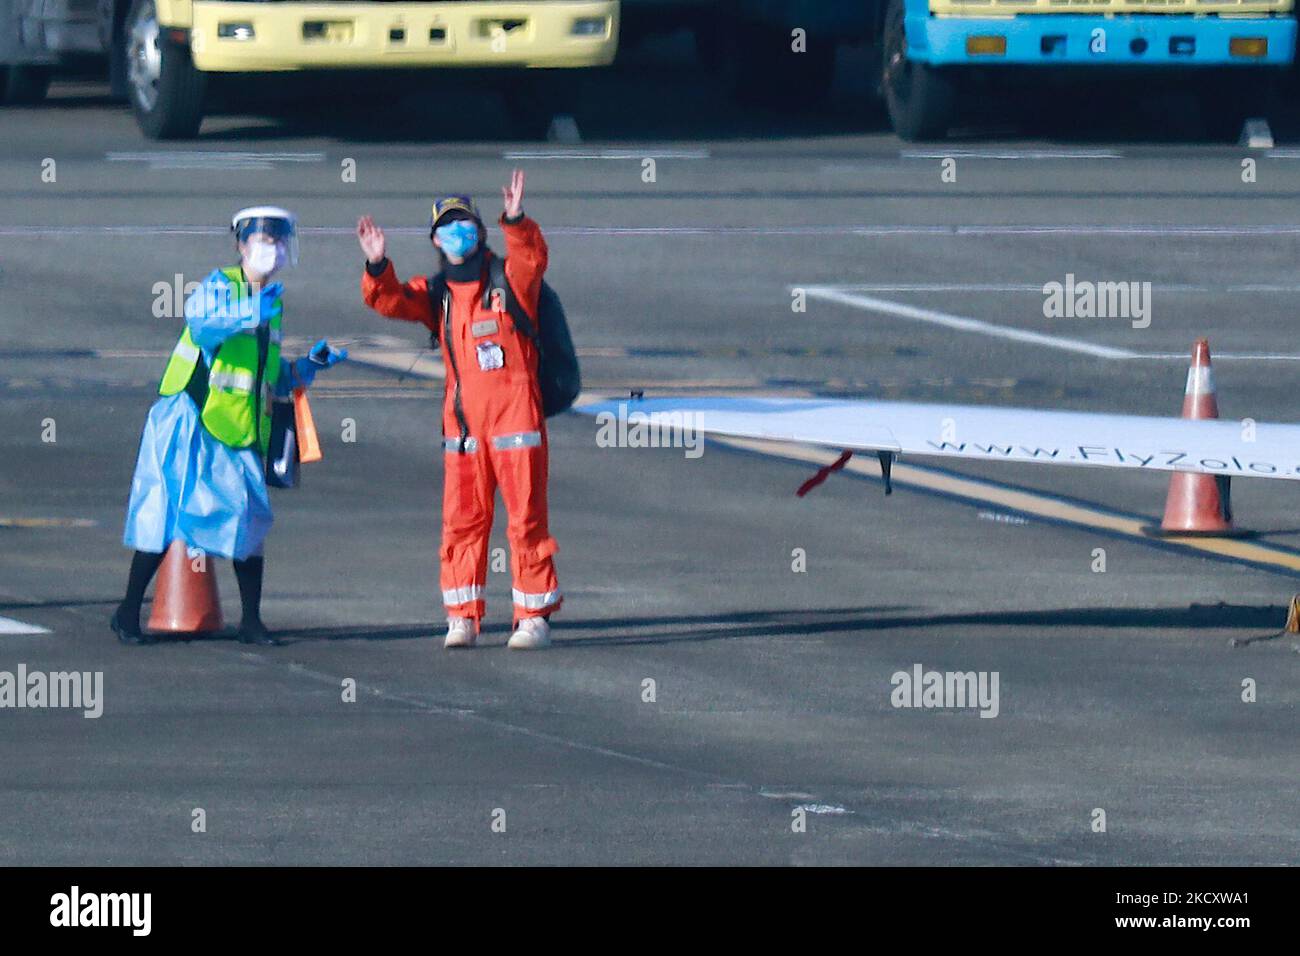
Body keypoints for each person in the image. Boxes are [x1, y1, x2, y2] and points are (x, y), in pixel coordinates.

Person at [111, 207, 346, 647]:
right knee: (167, 517)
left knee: (251, 519)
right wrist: (246, 311)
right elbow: (201, 327)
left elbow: (268, 375)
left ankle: (252, 622)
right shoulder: (220, 285)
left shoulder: (272, 304)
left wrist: (311, 366)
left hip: (234, 427)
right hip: (190, 419)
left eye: (278, 240)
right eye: (262, 239)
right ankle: (127, 612)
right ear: (240, 245)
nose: (271, 248)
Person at [357, 171, 561, 650]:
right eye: (447, 227)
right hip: (464, 431)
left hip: (516, 426)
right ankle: (462, 616)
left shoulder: (508, 279)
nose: (457, 234)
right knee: (461, 522)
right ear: (434, 239)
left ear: (480, 232)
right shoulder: (438, 293)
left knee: (526, 521)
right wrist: (377, 264)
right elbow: (389, 300)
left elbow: (533, 259)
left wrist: (516, 219)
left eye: (464, 224)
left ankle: (533, 617)